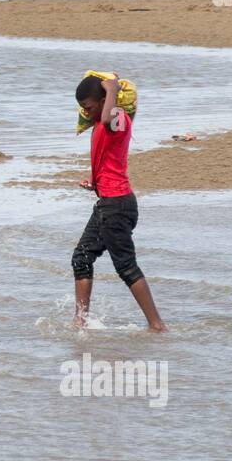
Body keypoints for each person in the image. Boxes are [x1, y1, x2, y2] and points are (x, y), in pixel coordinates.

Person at [71, 74, 167, 332]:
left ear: (105, 100)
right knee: (81, 257)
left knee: (125, 266)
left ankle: (157, 325)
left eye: (90, 106)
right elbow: (109, 160)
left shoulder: (117, 119)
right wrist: (95, 182)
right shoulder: (103, 123)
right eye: (83, 108)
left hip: (117, 205)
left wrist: (111, 88)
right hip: (108, 202)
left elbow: (106, 117)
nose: (86, 112)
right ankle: (80, 321)